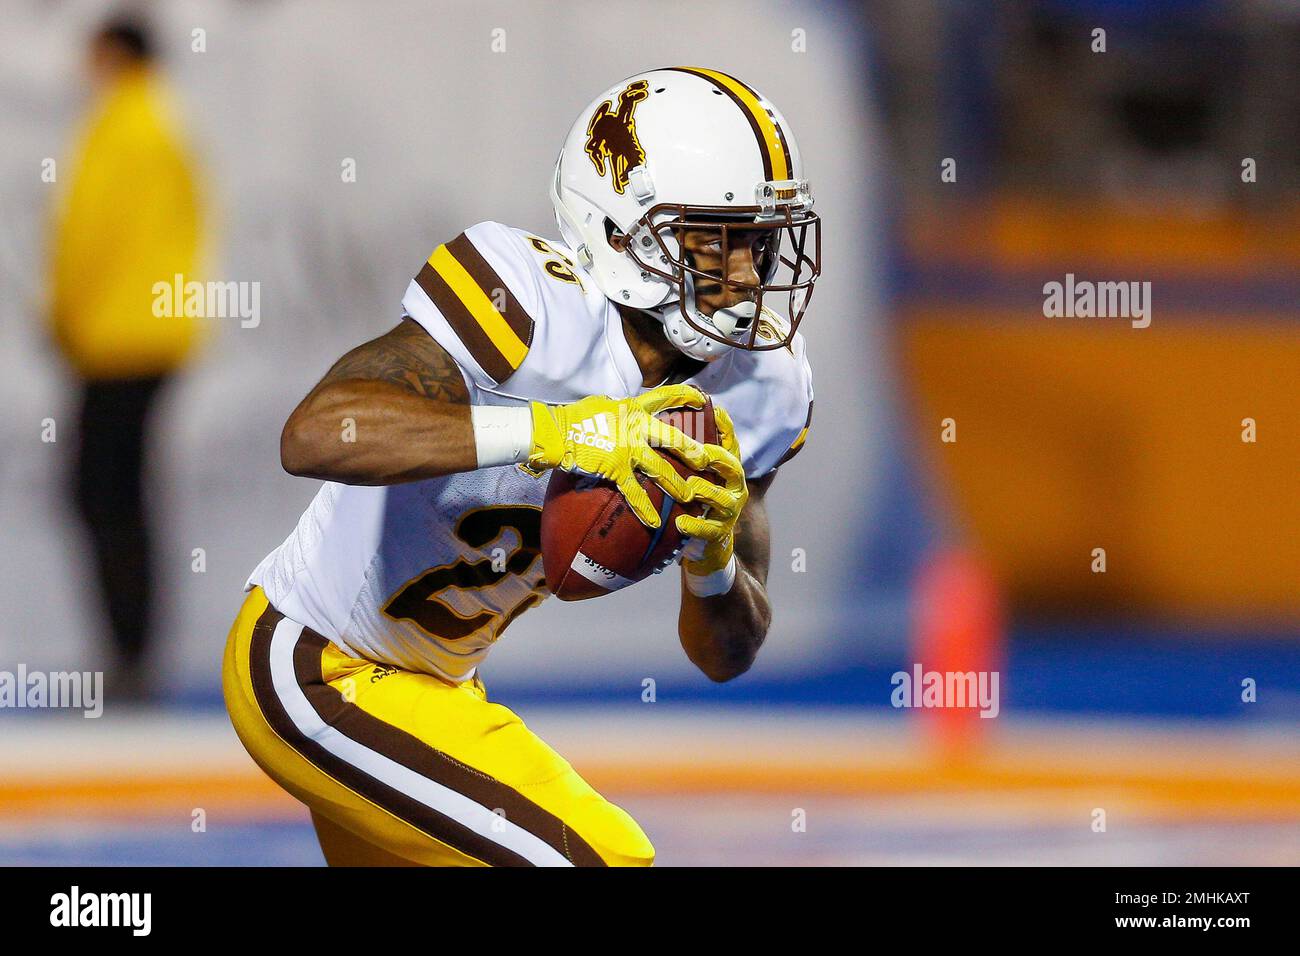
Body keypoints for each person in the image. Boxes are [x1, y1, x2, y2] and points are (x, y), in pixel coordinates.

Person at [223, 67, 819, 866]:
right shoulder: (530, 305)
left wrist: (711, 563)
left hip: (437, 689)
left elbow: (725, 654)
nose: (747, 275)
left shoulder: (761, 386)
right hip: (314, 660)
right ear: (623, 233)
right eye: (716, 240)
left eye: (762, 241)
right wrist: (558, 432)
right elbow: (319, 434)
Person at [49, 16, 204, 701]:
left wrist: (64, 314)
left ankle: (130, 651)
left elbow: (89, 235)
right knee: (116, 492)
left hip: (118, 340)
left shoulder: (123, 128)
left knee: (103, 493)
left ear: (112, 52)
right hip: (144, 336)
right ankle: (132, 650)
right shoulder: (161, 123)